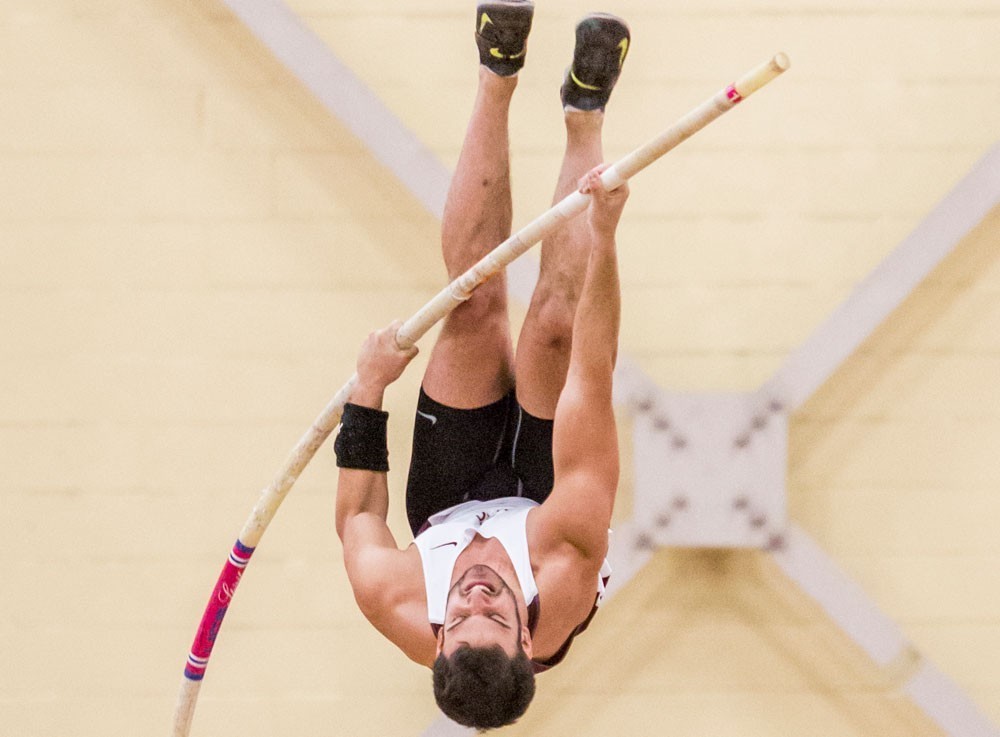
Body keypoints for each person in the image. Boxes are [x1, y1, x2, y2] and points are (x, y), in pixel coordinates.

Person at [333, 1, 630, 729]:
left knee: (471, 306)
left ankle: (497, 72)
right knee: (553, 329)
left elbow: (360, 515)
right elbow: (593, 373)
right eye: (495, 613)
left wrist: (368, 390)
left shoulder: (393, 595)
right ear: (526, 638)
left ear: (436, 638)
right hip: (544, 501)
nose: (474, 594)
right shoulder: (566, 563)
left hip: (450, 499)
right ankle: (583, 115)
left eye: (460, 614)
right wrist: (604, 234)